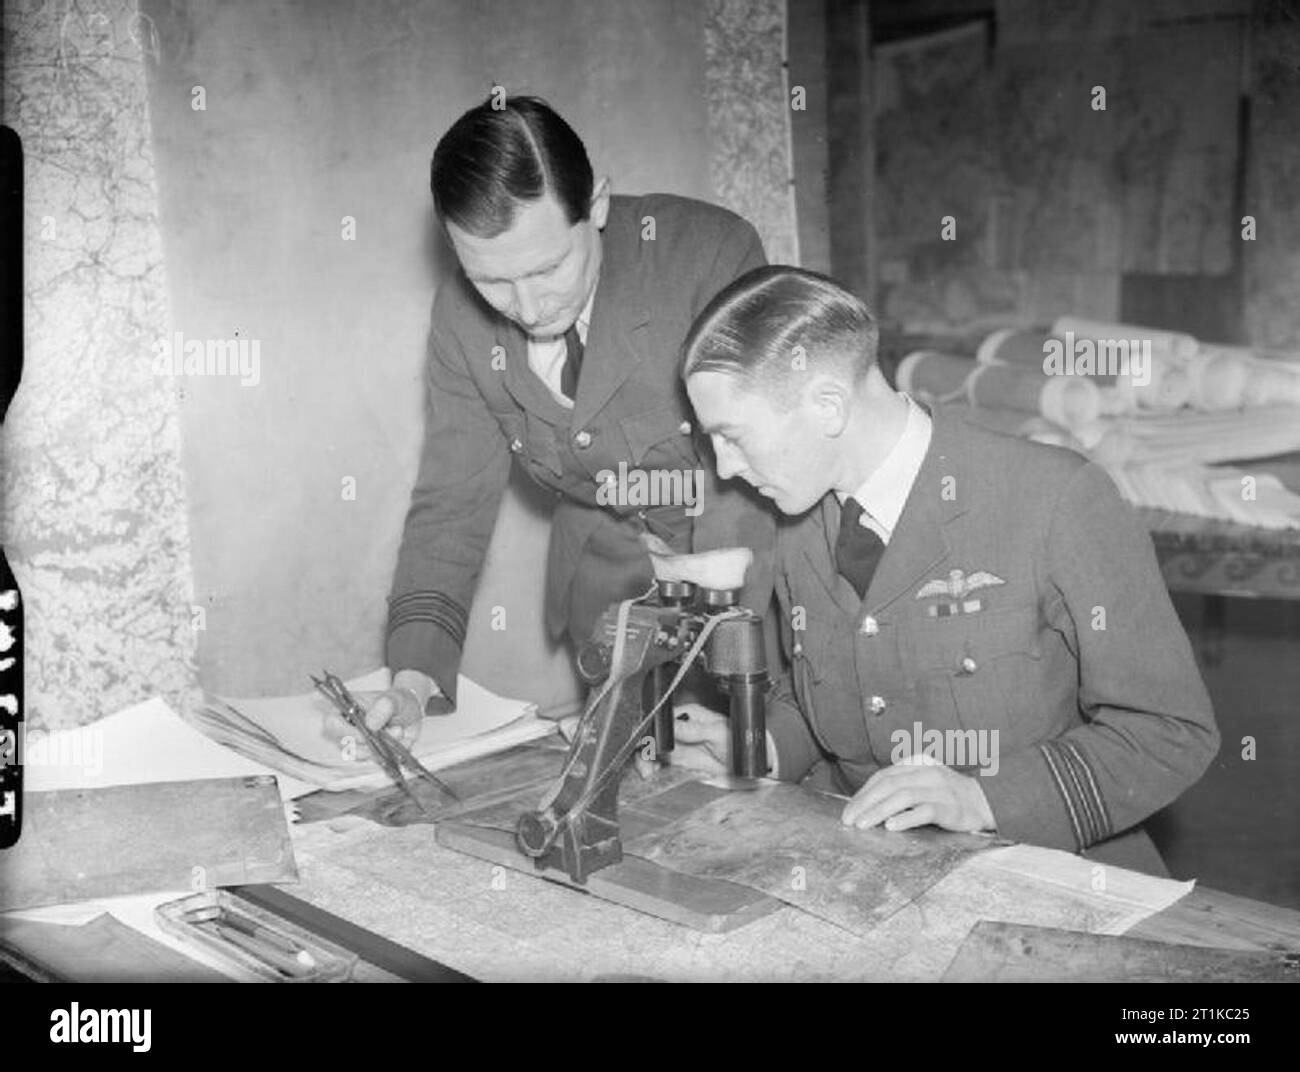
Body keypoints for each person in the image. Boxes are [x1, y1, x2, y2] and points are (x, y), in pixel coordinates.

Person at [672, 265, 1219, 875]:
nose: (723, 468)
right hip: (870, 864)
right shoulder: (797, 513)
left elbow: (1168, 731)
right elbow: (820, 692)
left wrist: (983, 796)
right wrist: (762, 746)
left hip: (1049, 869)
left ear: (828, 405)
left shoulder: (1055, 497)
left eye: (733, 436)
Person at [336, 95, 775, 747]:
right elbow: (452, 502)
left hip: (741, 588)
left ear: (595, 205)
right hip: (605, 602)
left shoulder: (705, 254)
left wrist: (719, 650)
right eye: (492, 280)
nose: (528, 306)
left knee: (750, 784)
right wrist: (413, 680)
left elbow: (742, 466)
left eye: (547, 268)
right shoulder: (460, 317)